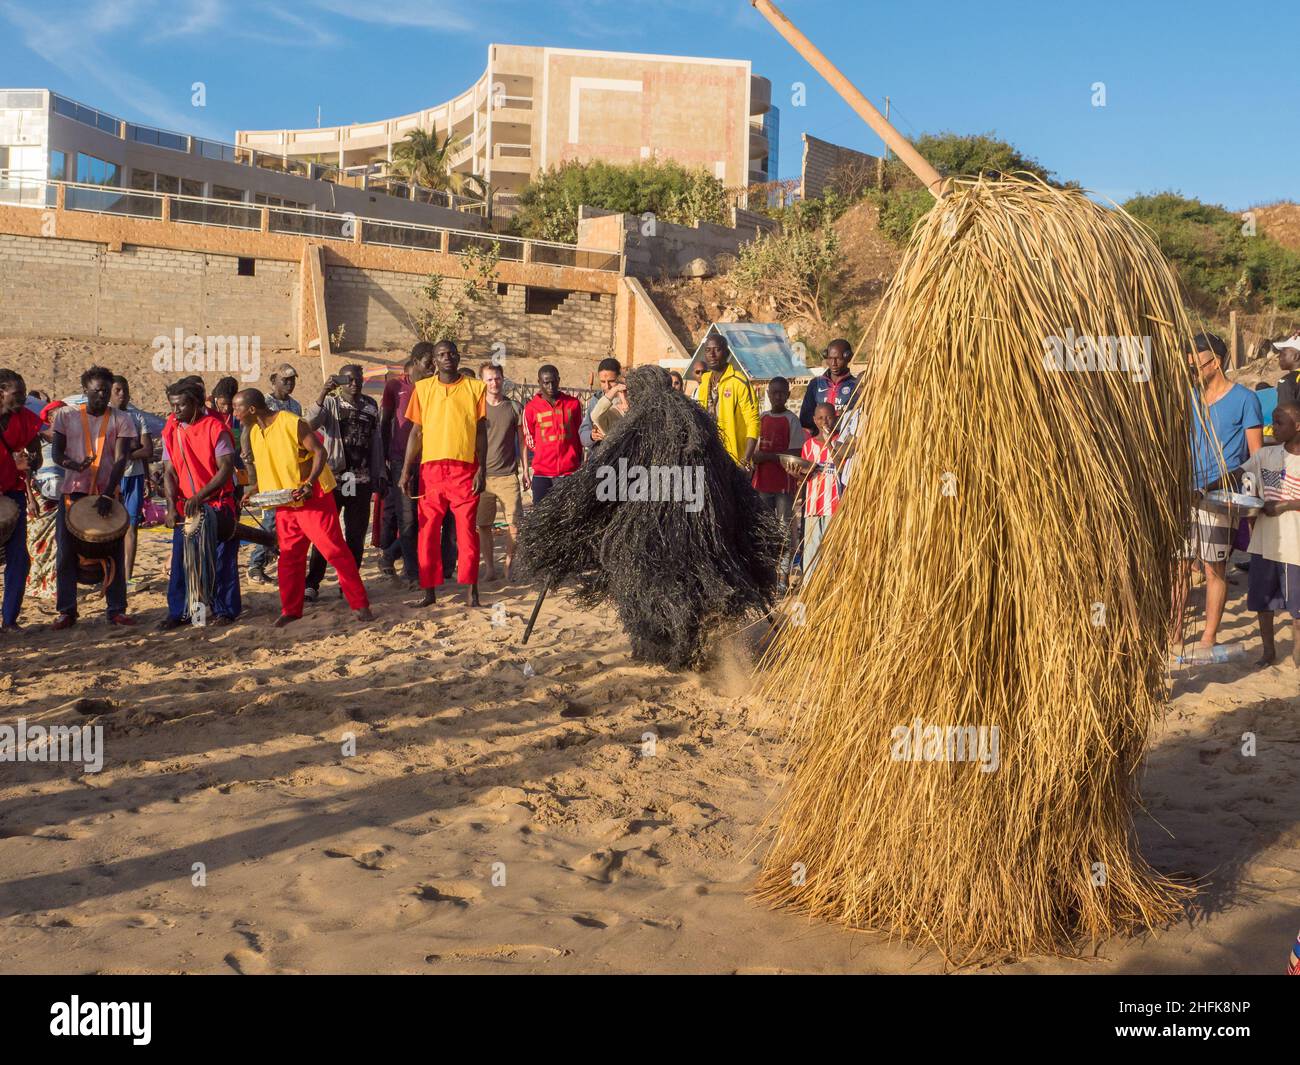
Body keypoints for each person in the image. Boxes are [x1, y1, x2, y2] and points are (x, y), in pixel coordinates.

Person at [234, 388, 372, 626]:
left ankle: (360, 605)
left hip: (313, 499)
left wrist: (308, 484)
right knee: (289, 558)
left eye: (238, 408)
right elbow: (274, 466)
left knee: (334, 551)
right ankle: (291, 610)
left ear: (252, 409)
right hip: (285, 503)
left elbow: (320, 452)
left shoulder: (291, 422)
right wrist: (255, 490)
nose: (235, 413)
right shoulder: (255, 432)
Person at [1175, 332, 1264, 657]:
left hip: (1220, 497)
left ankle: (1208, 638)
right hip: (1184, 494)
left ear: (1216, 361)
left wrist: (1254, 506)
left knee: (1214, 568)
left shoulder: (1245, 399)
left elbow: (1255, 457)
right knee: (1180, 567)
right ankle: (1174, 635)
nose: (1193, 373)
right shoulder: (1188, 397)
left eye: (1197, 365)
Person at [49, 366, 138, 629]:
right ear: (85, 390)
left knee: (114, 552)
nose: (102, 395)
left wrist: (108, 494)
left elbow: (122, 458)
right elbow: (56, 453)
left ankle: (116, 609)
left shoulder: (122, 419)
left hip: (107, 493)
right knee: (65, 553)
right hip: (73, 493)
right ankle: (67, 610)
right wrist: (74, 465)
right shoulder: (65, 416)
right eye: (97, 390)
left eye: (106, 390)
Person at [401, 340, 487, 608]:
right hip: (431, 470)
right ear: (434, 361)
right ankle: (429, 592)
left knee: (466, 533)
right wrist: (406, 470)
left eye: (451, 353)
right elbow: (415, 433)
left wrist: (481, 468)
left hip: (464, 469)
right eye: (441, 355)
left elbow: (482, 432)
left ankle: (472, 592)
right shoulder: (423, 389)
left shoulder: (476, 388)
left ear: (459, 357)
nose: (447, 357)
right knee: (427, 532)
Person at [158, 379, 240, 628]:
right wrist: (172, 506)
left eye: (181, 406)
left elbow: (225, 469)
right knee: (182, 561)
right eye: (172, 406)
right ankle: (180, 612)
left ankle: (224, 610)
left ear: (195, 403)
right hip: (187, 507)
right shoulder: (172, 428)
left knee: (221, 559)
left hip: (217, 504)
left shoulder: (215, 428)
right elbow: (169, 471)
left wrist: (200, 496)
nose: (176, 412)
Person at [305, 364, 385, 601]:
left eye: (357, 379)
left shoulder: (370, 405)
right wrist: (322, 392)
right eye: (348, 379)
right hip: (335, 478)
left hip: (360, 479)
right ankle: (312, 583)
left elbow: (376, 441)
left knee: (356, 535)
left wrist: (379, 473)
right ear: (340, 382)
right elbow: (309, 424)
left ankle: (348, 581)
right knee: (325, 533)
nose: (354, 383)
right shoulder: (331, 403)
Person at [1234, 401, 1300, 667]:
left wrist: (1285, 505)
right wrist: (1208, 488)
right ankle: (1268, 652)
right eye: (1273, 420)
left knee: (1297, 607)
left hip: (1294, 545)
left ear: (1298, 426)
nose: (1274, 427)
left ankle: (1297, 654)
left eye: (1280, 422)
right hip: (1263, 543)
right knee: (1262, 603)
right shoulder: (1265, 455)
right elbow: (1240, 473)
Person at [244, 363, 300, 585]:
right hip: (267, 469)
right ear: (274, 380)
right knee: (270, 520)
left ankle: (273, 562)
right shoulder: (264, 403)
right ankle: (255, 565)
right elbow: (248, 434)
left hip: (288, 471)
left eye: (292, 379)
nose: (289, 383)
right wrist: (252, 468)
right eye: (285, 380)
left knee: (286, 521)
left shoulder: (295, 406)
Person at [379, 347, 429, 585]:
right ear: (416, 361)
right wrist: (384, 460)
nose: (433, 368)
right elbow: (385, 421)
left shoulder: (434, 387)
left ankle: (390, 554)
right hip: (400, 460)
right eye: (428, 362)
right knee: (406, 518)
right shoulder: (395, 387)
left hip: (430, 460)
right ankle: (413, 574)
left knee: (426, 517)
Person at [752, 376, 806, 585]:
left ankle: (783, 577)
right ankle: (765, 575)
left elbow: (795, 451)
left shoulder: (791, 420)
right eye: (774, 393)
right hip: (762, 483)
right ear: (768, 394)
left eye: (782, 393)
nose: (777, 396)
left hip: (784, 484)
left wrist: (767, 457)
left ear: (788, 395)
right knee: (763, 528)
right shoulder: (762, 418)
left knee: (784, 529)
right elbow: (754, 446)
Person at [0, 369, 43, 632]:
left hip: (13, 494)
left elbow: (35, 452)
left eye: (25, 393)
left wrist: (32, 461)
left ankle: (9, 620)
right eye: (18, 394)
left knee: (19, 559)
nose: (23, 398)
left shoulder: (25, 418)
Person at [478, 361, 527, 581]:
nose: (494, 382)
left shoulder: (515, 407)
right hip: (482, 476)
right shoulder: (476, 407)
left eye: (497, 378)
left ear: (502, 378)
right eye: (489, 379)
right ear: (483, 381)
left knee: (514, 523)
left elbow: (523, 441)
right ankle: (489, 568)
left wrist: (525, 469)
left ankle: (509, 564)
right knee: (484, 525)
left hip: (508, 475)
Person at [109, 375, 152, 585]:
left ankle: (127, 576)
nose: (122, 394)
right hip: (110, 477)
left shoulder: (138, 417)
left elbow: (148, 450)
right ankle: (111, 574)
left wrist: (124, 453)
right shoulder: (104, 418)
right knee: (110, 527)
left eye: (124, 390)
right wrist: (131, 447)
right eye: (117, 390)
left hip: (135, 476)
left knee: (132, 525)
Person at [696, 333, 759, 469]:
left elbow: (753, 421)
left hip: (735, 461)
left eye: (717, 349)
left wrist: (745, 460)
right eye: (708, 350)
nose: (712, 354)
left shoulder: (739, 381)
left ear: (727, 353)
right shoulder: (704, 381)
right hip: (710, 458)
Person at [524, 364, 583, 505]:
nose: (550, 386)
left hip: (569, 473)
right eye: (546, 383)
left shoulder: (573, 404)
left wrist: (574, 458)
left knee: (568, 518)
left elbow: (579, 433)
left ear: (559, 380)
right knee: (541, 518)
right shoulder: (531, 408)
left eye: (553, 382)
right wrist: (542, 451)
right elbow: (529, 436)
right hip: (542, 474)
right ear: (539, 383)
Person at [800, 402, 843, 579]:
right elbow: (804, 477)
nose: (824, 421)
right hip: (814, 505)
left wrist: (828, 443)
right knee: (812, 548)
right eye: (820, 418)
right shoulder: (808, 446)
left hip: (835, 505)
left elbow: (841, 468)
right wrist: (798, 474)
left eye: (828, 417)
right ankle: (810, 587)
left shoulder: (841, 442)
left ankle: (830, 584)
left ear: (836, 417)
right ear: (814, 420)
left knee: (832, 548)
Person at [799, 338, 858, 433]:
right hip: (819, 441)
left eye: (838, 359)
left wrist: (834, 424)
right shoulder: (815, 384)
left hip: (843, 443)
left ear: (848, 358)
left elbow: (854, 419)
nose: (834, 363)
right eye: (830, 358)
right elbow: (805, 418)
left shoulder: (855, 386)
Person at [579, 357, 622, 450]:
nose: (607, 386)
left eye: (611, 381)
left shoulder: (628, 401)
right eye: (603, 382)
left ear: (619, 378)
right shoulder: (596, 400)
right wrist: (591, 436)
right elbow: (583, 435)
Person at [1274, 335, 1300, 407]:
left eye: (1283, 354)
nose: (1279, 357)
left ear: (1296, 356)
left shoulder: (1287, 381)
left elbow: (1285, 415)